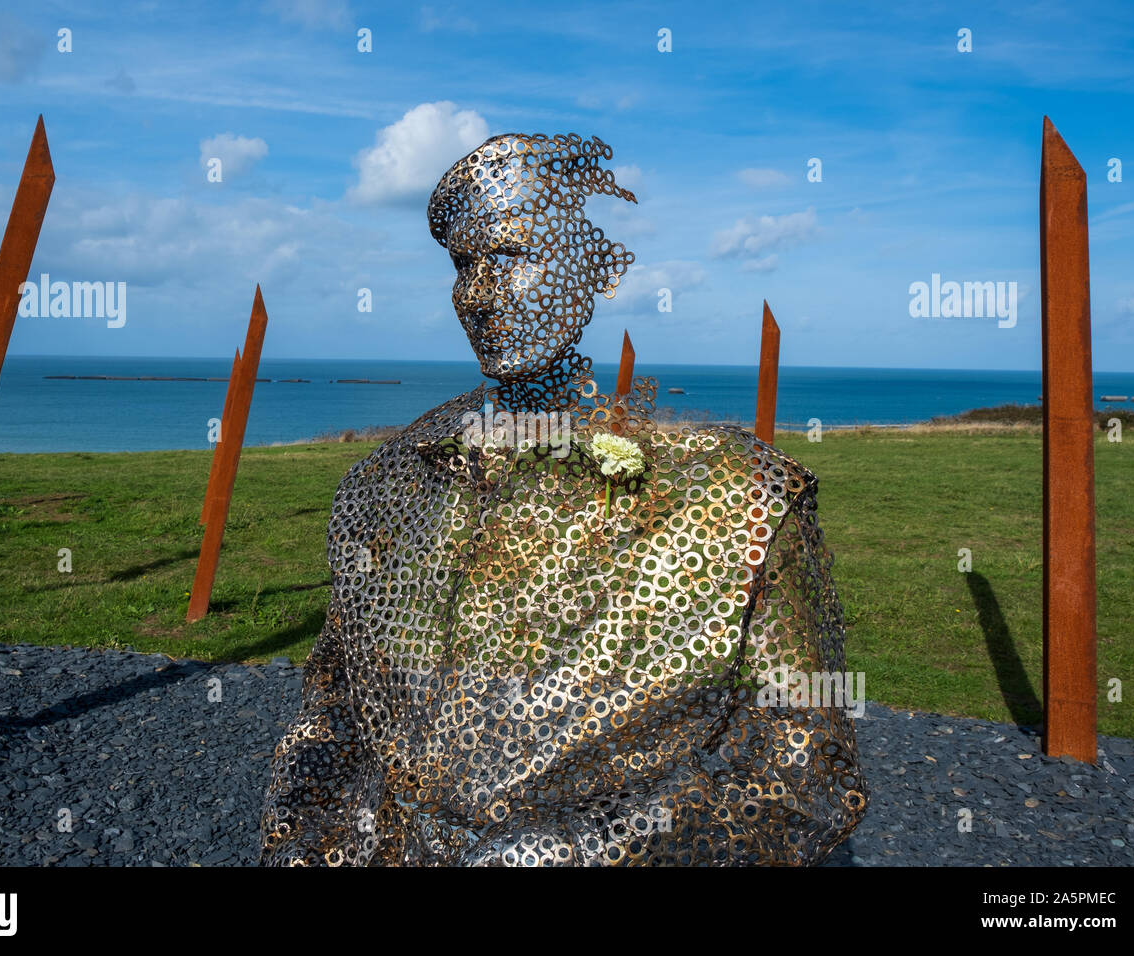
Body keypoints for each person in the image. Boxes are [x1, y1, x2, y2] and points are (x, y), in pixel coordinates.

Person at [260, 133, 866, 866]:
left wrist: (580, 849)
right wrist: (303, 845)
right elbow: (329, 722)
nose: (479, 296)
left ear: (596, 266)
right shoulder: (382, 487)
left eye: (511, 257)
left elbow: (802, 776)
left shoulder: (737, 496)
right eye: (462, 264)